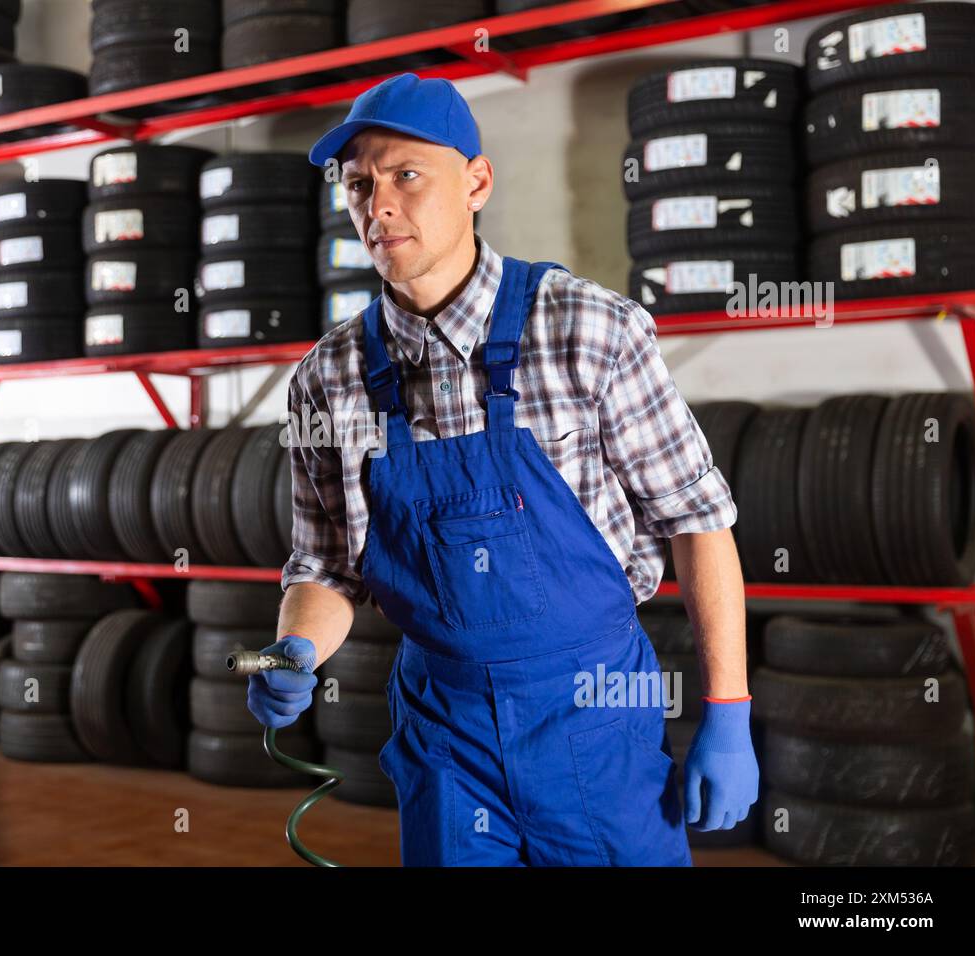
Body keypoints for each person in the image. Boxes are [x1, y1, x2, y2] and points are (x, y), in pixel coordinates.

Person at [248, 72, 757, 866]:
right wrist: (293, 652)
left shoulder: (590, 329)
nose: (377, 204)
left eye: (405, 175)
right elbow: (326, 566)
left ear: (476, 181)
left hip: (593, 719)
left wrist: (728, 710)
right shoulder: (327, 378)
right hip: (444, 734)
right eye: (357, 184)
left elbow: (696, 520)